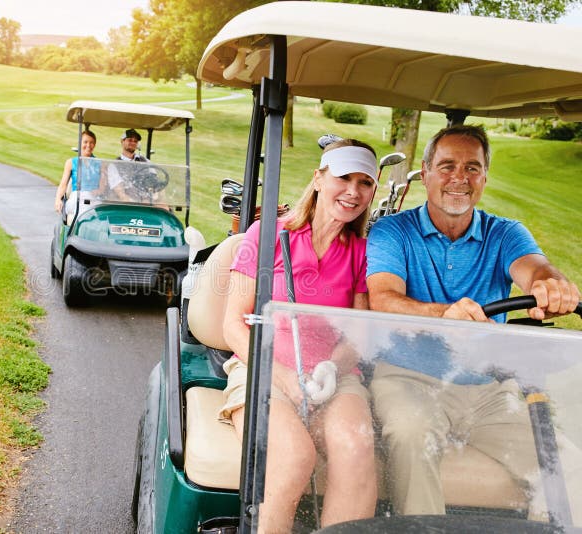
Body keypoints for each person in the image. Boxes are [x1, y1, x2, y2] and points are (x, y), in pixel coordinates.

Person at [366, 124, 580, 516]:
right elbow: (382, 299)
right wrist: (444, 313)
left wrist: (552, 285)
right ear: (425, 172)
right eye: (447, 166)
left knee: (569, 465)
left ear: (484, 177)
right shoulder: (393, 232)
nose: (459, 179)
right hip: (408, 377)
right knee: (412, 435)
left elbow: (536, 269)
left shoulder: (504, 233)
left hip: (488, 389)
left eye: (472, 168)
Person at [220, 139, 380, 531]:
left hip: (333, 377)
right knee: (292, 457)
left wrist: (330, 368)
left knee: (356, 448)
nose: (353, 191)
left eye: (365, 183)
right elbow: (233, 325)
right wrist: (284, 377)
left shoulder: (361, 252)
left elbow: (357, 336)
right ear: (319, 178)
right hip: (261, 366)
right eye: (344, 178)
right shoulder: (268, 235)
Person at [54, 129, 103, 217]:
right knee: (84, 210)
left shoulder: (100, 163)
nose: (88, 145)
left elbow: (103, 185)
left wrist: (97, 192)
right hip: (76, 197)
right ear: (80, 143)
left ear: (94, 145)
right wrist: (58, 199)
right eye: (85, 142)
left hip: (94, 197)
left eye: (91, 142)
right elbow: (63, 184)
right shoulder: (71, 162)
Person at [107, 128, 148, 200]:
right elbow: (121, 194)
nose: (133, 143)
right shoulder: (114, 165)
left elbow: (154, 181)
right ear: (122, 141)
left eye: (135, 141)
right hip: (126, 205)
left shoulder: (145, 161)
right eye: (130, 140)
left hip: (145, 202)